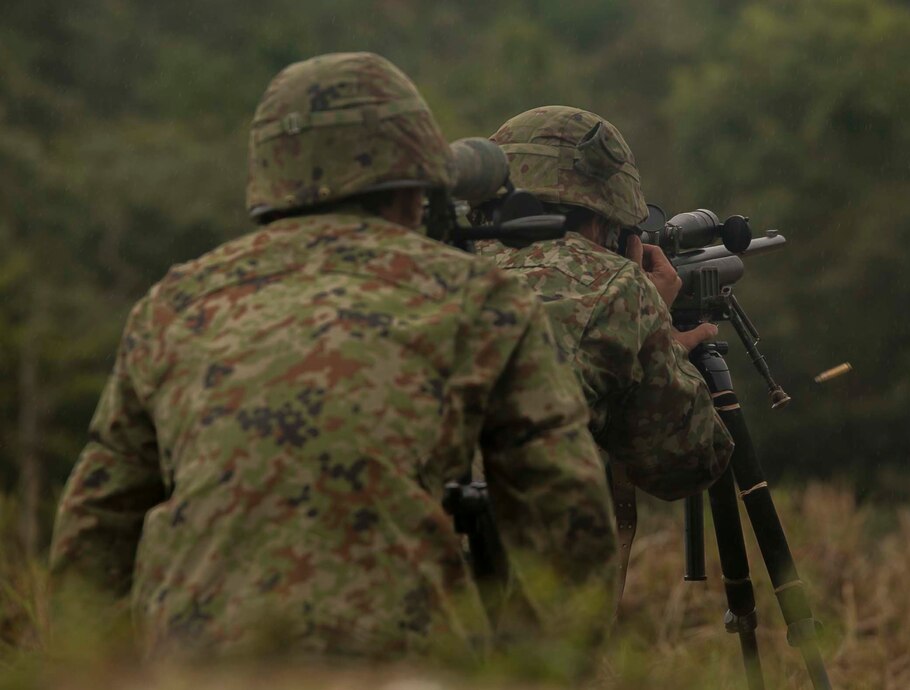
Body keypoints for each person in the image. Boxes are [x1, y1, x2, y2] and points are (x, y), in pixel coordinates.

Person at [50, 54, 617, 661]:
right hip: (400, 662)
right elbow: (569, 520)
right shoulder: (481, 299)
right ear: (418, 183)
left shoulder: (173, 304)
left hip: (196, 663)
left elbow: (94, 529)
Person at [478, 106, 734, 595]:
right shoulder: (615, 285)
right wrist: (655, 333)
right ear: (610, 222)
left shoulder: (444, 260)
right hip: (522, 606)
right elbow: (688, 463)